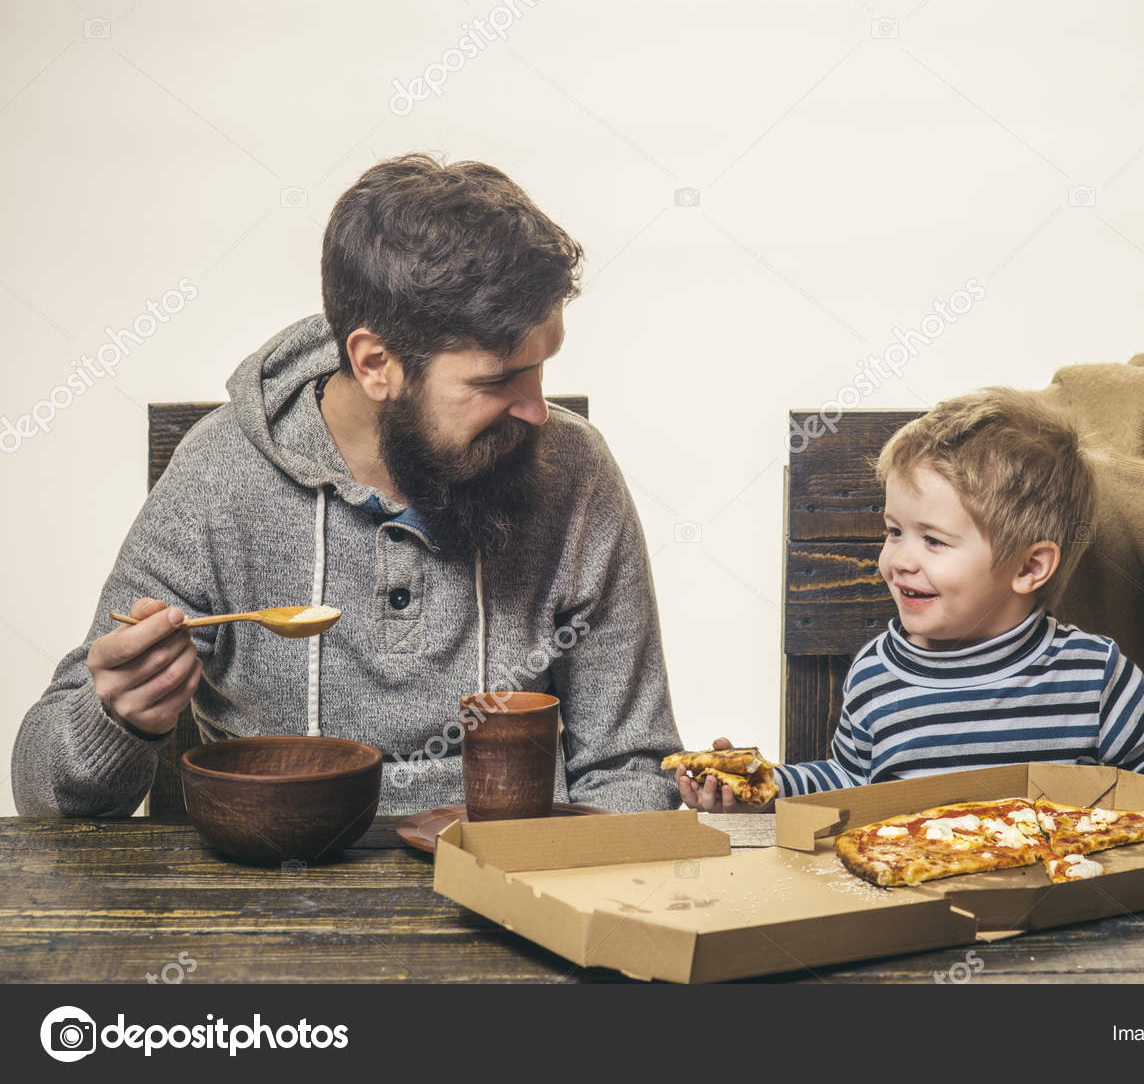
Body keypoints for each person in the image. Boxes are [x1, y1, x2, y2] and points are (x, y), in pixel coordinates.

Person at [13, 154, 682, 816]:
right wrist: (118, 719)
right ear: (375, 364)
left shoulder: (575, 470)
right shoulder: (219, 476)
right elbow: (43, 792)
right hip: (278, 889)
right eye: (497, 379)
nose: (539, 409)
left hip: (515, 893)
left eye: (542, 367)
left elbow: (629, 768)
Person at [678, 387, 1144, 829]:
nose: (899, 561)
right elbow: (851, 780)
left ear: (1029, 567)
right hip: (914, 898)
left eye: (933, 541)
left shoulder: (1091, 673)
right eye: (893, 532)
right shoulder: (878, 674)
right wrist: (766, 786)